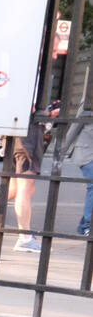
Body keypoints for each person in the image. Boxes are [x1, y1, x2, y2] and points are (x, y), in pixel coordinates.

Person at [0, 106, 58, 253]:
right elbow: (29, 107)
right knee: (26, 188)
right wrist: (49, 113)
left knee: (13, 189)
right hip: (27, 140)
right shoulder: (31, 84)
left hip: (15, 138)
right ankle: (25, 238)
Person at [65, 97, 93, 237]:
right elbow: (76, 126)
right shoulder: (89, 98)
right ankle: (88, 224)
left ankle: (83, 225)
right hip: (87, 153)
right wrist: (62, 149)